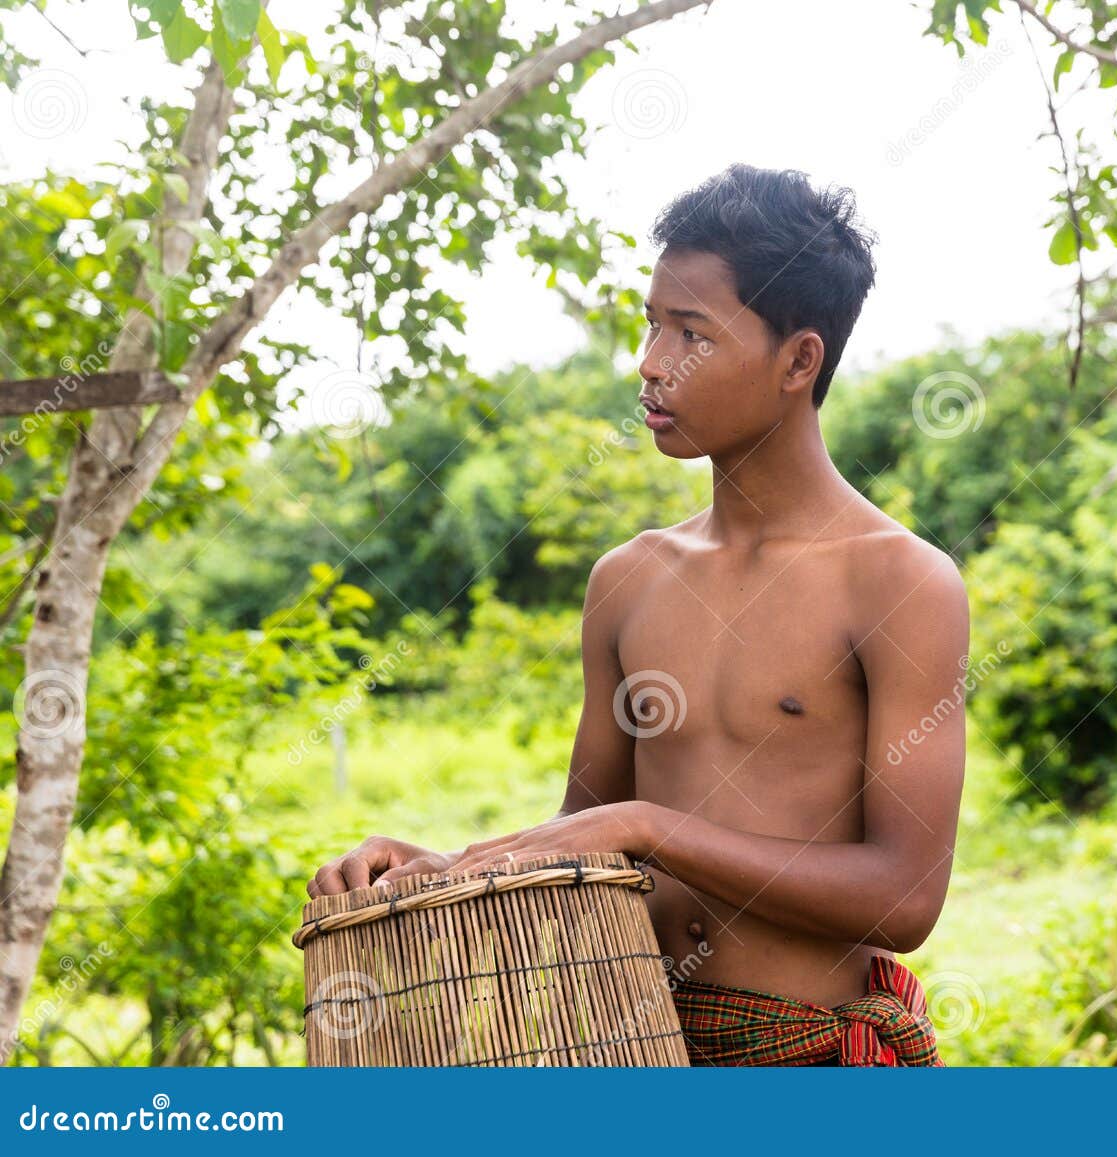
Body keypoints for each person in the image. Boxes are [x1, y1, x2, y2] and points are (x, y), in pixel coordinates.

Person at [308, 163, 969, 1066]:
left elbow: (905, 899)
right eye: (652, 323)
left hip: (808, 1061)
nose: (651, 364)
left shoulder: (900, 584)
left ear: (799, 359)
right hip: (635, 1050)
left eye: (690, 333)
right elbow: (582, 856)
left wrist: (651, 826)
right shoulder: (630, 579)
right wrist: (441, 867)